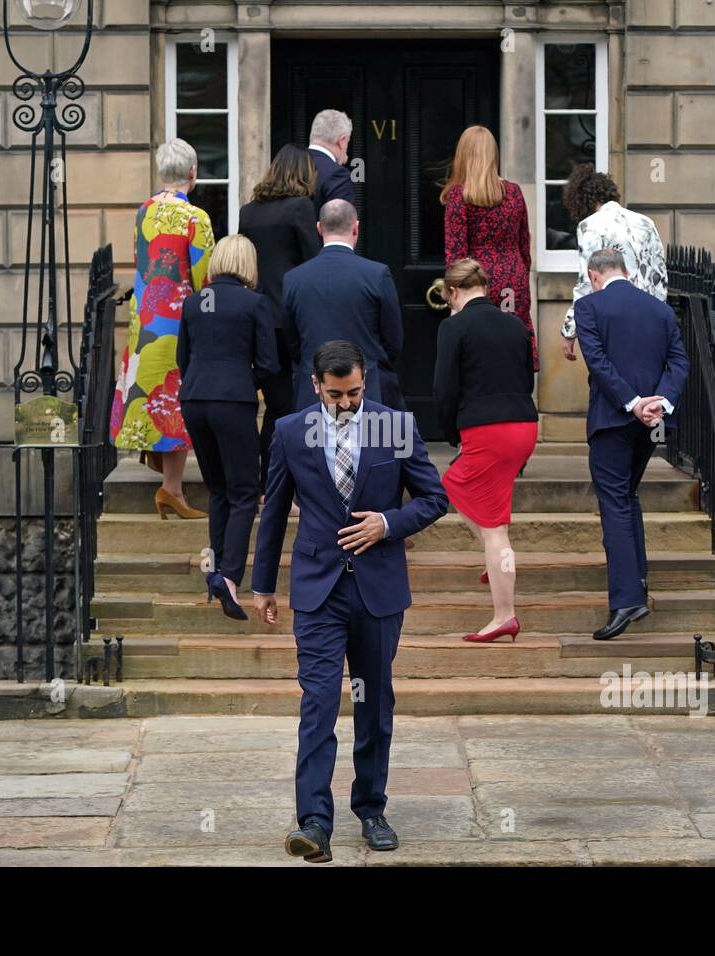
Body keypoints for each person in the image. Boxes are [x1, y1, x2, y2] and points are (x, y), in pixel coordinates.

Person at [252, 340, 448, 863]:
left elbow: (435, 498)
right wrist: (263, 584)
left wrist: (388, 523)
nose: (347, 403)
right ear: (316, 385)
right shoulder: (291, 431)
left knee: (373, 701)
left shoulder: (395, 426)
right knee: (318, 701)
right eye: (336, 394)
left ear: (366, 382)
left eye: (356, 392)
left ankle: (372, 809)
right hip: (318, 589)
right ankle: (314, 822)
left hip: (378, 590)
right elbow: (272, 512)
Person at [572, 249, 688, 641]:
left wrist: (633, 402)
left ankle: (626, 599)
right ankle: (637, 580)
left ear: (593, 275)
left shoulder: (588, 306)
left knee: (615, 503)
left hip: (612, 420)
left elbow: (598, 362)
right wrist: (660, 401)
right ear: (626, 271)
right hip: (649, 422)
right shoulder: (659, 310)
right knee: (627, 496)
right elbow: (679, 363)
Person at [432, 258, 538, 643]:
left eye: (448, 299)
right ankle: (496, 566)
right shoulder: (516, 324)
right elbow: (527, 378)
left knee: (493, 529)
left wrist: (450, 434)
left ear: (454, 292)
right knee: (458, 487)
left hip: (486, 430)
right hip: (524, 426)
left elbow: (444, 389)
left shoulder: (454, 326)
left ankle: (504, 614)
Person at [111, 137, 213, 519]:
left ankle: (163, 473)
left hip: (146, 316)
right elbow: (204, 277)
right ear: (192, 173)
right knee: (174, 400)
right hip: (177, 320)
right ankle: (171, 489)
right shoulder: (196, 218)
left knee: (151, 392)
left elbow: (142, 260)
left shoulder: (143, 211)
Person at [177, 234, 278, 620]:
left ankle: (217, 571)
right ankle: (231, 578)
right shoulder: (255, 303)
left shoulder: (192, 303)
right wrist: (242, 378)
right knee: (244, 491)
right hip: (232, 401)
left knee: (218, 489)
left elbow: (182, 358)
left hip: (193, 400)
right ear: (248, 264)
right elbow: (268, 365)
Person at [238, 144, 324, 494]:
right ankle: (300, 485)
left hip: (257, 318)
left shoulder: (248, 212)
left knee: (275, 408)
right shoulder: (301, 207)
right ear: (303, 172)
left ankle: (267, 485)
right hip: (291, 319)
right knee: (299, 406)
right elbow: (313, 263)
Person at [282, 199, 402, 412]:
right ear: (356, 227)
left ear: (319, 228)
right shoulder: (376, 274)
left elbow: (293, 342)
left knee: (316, 446)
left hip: (314, 392)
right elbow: (393, 340)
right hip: (367, 389)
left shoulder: (294, 279)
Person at [442, 126, 537, 372]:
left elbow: (455, 255)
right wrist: (521, 276)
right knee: (513, 345)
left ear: (463, 155)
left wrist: (452, 298)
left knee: (478, 351)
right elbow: (524, 245)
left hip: (476, 280)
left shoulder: (458, 196)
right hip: (513, 279)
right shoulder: (514, 192)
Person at [558, 164, 669, 356]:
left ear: (581, 200)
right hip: (649, 320)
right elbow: (659, 278)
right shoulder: (645, 222)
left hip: (612, 320)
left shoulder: (589, 226)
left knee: (609, 378)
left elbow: (587, 282)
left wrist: (569, 330)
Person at [307, 109, 357, 216]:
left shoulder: (285, 167)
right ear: (342, 140)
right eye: (347, 142)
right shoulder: (337, 174)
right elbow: (341, 227)